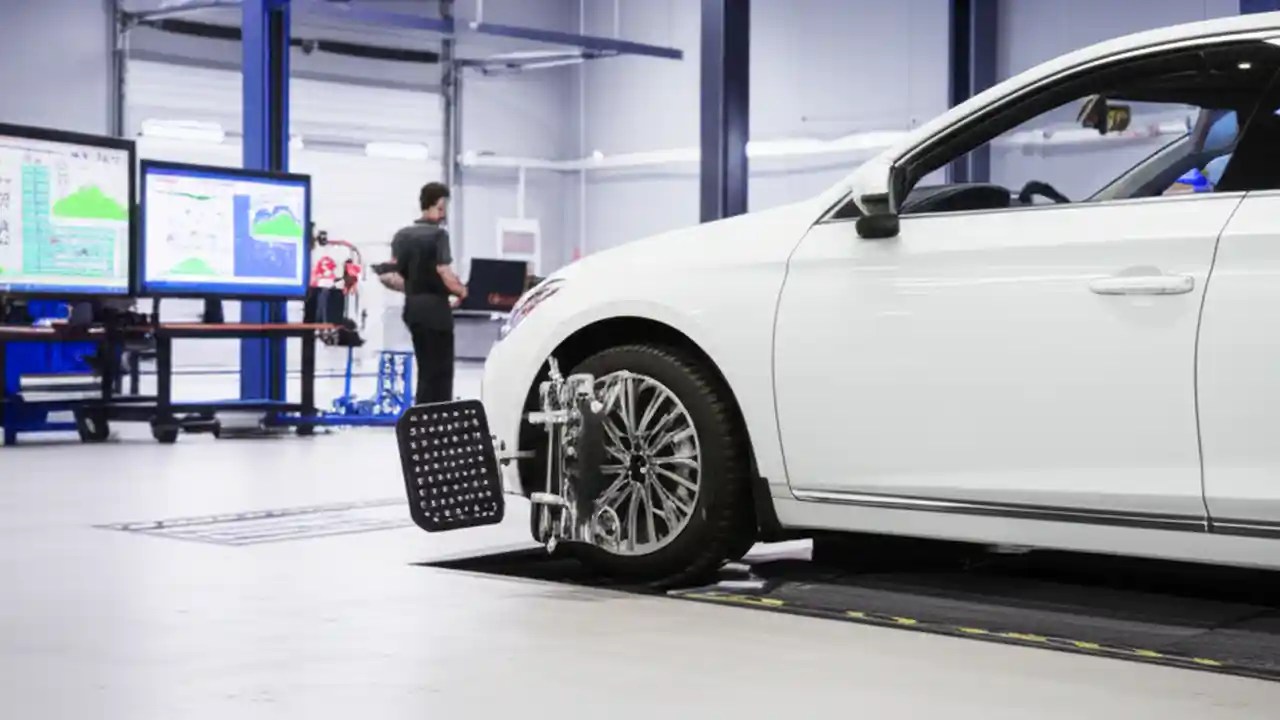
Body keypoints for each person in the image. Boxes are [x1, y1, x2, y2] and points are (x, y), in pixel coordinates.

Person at [381, 182, 467, 405]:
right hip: (436, 312)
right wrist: (462, 291)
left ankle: (421, 418)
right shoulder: (439, 236)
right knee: (441, 371)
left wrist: (414, 286)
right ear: (439, 204)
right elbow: (443, 271)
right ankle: (438, 420)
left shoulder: (402, 236)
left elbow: (391, 276)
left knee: (425, 369)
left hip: (413, 310)